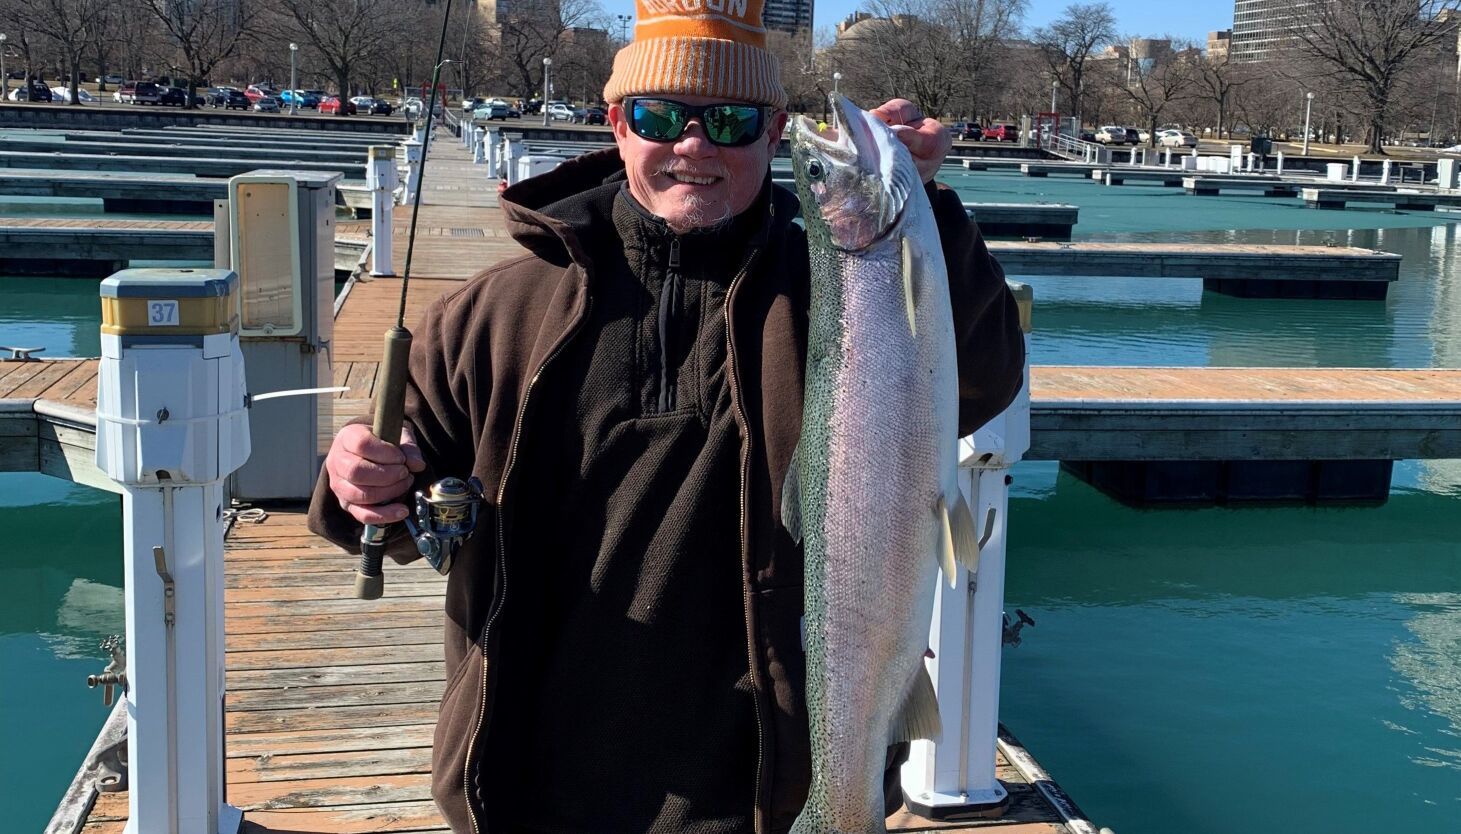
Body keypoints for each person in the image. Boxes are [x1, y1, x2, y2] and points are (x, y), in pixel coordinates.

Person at [307, 0, 1026, 830]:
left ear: (772, 132)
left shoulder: (840, 288)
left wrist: (925, 210)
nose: (695, 144)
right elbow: (392, 506)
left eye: (730, 120)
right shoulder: (492, 311)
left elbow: (983, 379)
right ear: (616, 124)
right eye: (661, 116)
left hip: (767, 779)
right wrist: (364, 480)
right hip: (531, 775)